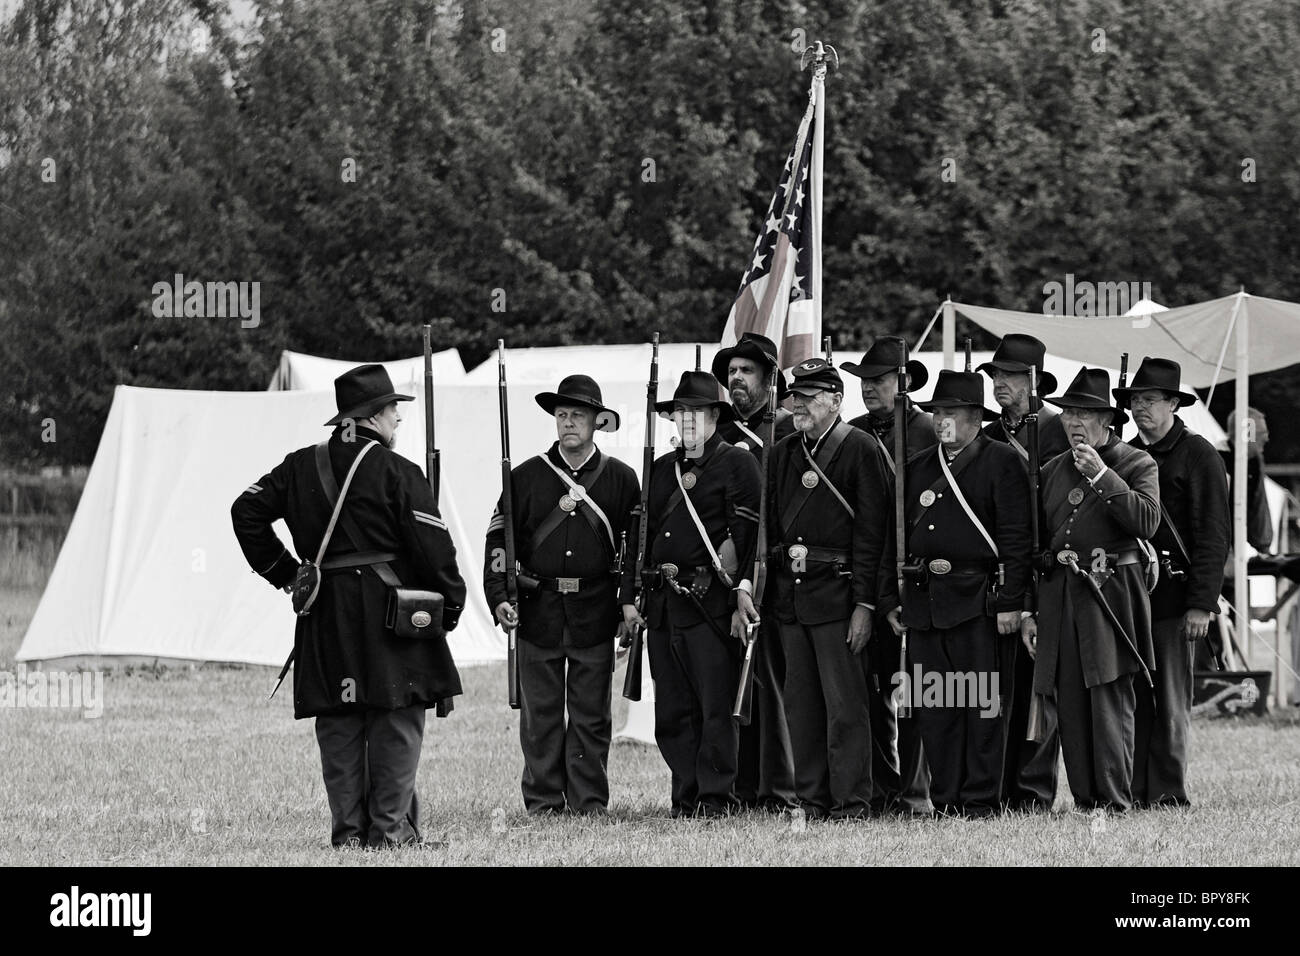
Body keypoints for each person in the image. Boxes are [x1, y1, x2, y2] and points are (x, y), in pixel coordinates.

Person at [231, 364, 466, 848]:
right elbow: (432, 549)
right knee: (396, 719)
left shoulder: (299, 465)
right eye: (394, 412)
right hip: (389, 610)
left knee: (338, 721)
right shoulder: (398, 471)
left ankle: (349, 834)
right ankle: (389, 834)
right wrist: (449, 604)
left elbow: (245, 511)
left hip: (324, 611)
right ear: (375, 417)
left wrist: (286, 573)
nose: (398, 421)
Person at [736, 358, 890, 819]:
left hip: (841, 596)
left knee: (846, 708)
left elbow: (874, 536)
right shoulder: (782, 452)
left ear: (835, 400)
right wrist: (752, 584)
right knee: (801, 708)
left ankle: (851, 802)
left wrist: (865, 604)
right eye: (795, 398)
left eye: (808, 398)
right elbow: (768, 529)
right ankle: (812, 799)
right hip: (791, 598)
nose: (797, 406)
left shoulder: (862, 449)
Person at [483, 375, 640, 815]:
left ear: (596, 422)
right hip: (538, 610)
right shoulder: (526, 477)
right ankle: (544, 800)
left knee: (591, 716)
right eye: (562, 415)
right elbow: (499, 542)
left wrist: (628, 603)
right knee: (541, 717)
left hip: (595, 610)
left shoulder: (621, 479)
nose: (568, 423)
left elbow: (633, 552)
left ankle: (589, 801)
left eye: (578, 416)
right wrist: (499, 595)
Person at [885, 370, 1030, 817]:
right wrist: (893, 599)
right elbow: (894, 540)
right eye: (936, 413)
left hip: (978, 601)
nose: (941, 420)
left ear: (974, 417)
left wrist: (1011, 603)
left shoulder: (1002, 461)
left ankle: (980, 800)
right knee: (937, 706)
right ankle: (945, 798)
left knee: (981, 706)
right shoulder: (919, 466)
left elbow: (1017, 541)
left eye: (950, 413)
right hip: (927, 602)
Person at [622, 371, 762, 817]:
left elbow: (750, 534)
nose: (686, 420)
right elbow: (638, 537)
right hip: (664, 605)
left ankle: (716, 797)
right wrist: (629, 597)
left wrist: (743, 593)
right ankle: (684, 795)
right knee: (673, 711)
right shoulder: (662, 469)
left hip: (710, 603)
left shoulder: (738, 464)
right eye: (680, 413)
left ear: (714, 417)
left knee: (716, 708)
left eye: (695, 412)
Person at [1022, 367, 1159, 813]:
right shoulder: (1050, 470)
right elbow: (1036, 547)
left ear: (1108, 421)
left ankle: (1115, 802)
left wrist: (1103, 477)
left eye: (1086, 413)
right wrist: (1030, 611)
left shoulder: (1138, 463)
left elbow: (1146, 522)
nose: (1074, 422)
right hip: (1060, 595)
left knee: (1110, 701)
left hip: (1112, 595)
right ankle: (1085, 801)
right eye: (1068, 413)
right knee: (1072, 705)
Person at [1119, 358, 1229, 807]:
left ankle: (1166, 792)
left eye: (1150, 400)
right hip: (1130, 595)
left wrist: (1201, 603)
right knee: (1135, 695)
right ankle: (1134, 788)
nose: (1140, 408)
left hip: (1177, 596)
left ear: (1172, 403)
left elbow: (1213, 534)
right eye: (1134, 400)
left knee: (1169, 701)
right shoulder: (1125, 453)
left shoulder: (1197, 453)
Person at [841, 336, 935, 815]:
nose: (869, 389)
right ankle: (882, 788)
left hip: (916, 576)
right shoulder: (853, 434)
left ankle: (917, 793)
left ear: (902, 382)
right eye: (863, 382)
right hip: (863, 574)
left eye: (877, 380)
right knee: (874, 691)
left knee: (916, 691)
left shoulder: (929, 433)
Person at [978, 332, 1068, 812]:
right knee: (999, 685)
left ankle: (1033, 791)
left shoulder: (1057, 429)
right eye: (995, 376)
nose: (999, 385)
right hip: (1000, 572)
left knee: (1039, 683)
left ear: (1033, 380)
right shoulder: (988, 434)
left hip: (1047, 567)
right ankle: (998, 785)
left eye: (1009, 376)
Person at [711, 332, 798, 812]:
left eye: (747, 371)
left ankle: (782, 789)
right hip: (731, 576)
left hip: (782, 575)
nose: (736, 378)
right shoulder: (718, 436)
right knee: (736, 683)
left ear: (769, 378)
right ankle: (742, 788)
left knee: (777, 685)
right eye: (732, 372)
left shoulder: (788, 430)